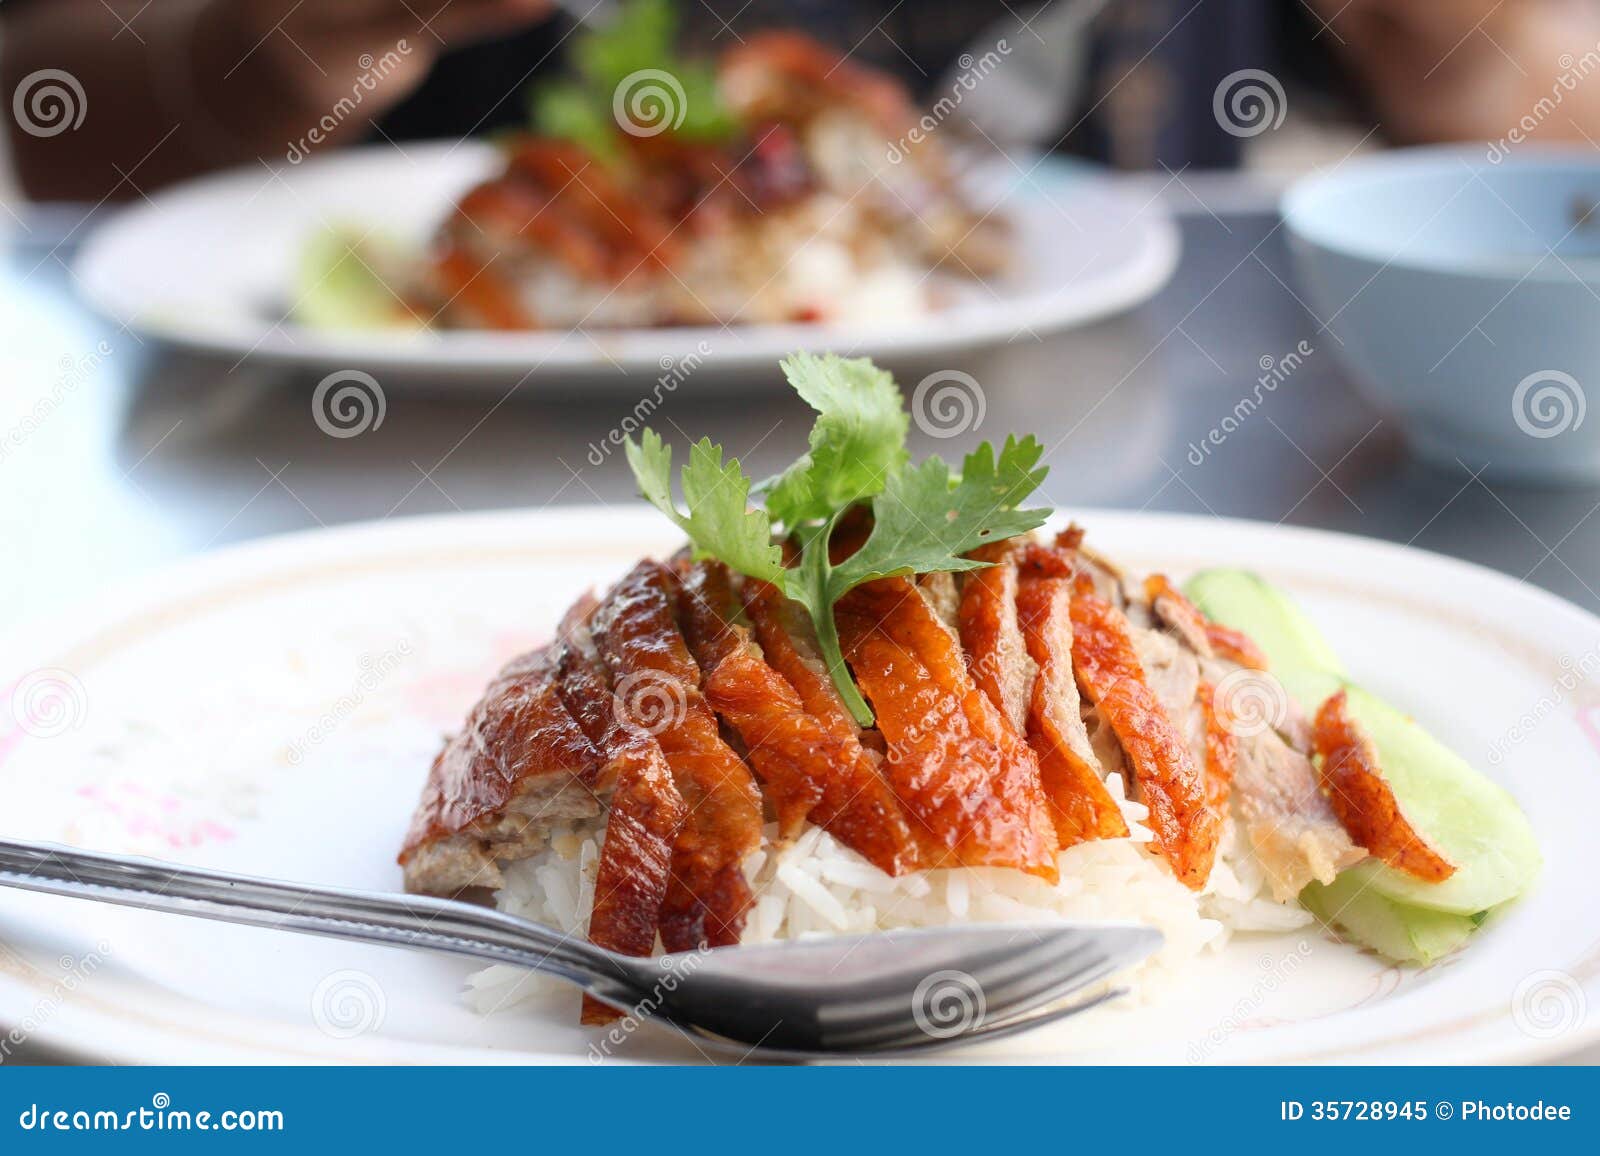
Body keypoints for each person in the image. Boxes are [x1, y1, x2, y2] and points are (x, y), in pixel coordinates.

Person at [6, 0, 1600, 201]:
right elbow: (43, 107)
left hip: (1124, 467)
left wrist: (1464, 51)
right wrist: (261, 60)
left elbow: (1558, 110)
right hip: (393, 484)